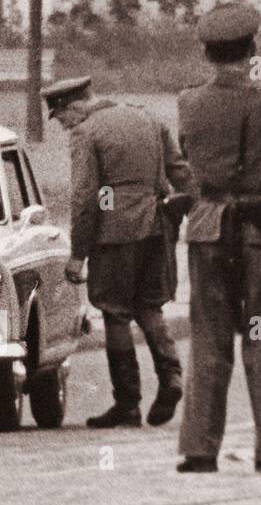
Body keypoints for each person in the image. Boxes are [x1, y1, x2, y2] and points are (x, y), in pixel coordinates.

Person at [176, 2, 261, 473]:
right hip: (260, 231)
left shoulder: (189, 101)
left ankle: (198, 450)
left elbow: (188, 153)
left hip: (210, 229)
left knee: (209, 339)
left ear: (208, 54)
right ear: (251, 48)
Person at [43, 75, 191, 429]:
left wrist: (78, 253)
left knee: (115, 313)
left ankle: (127, 403)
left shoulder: (86, 133)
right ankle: (171, 377)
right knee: (149, 306)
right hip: (157, 228)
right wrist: (186, 211)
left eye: (61, 117)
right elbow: (181, 173)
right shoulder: (147, 117)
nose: (63, 126)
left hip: (114, 235)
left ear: (74, 106)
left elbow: (84, 199)